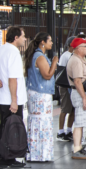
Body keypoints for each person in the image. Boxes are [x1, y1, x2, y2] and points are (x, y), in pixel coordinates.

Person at [0, 26, 28, 169]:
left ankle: (0, 156)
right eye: (23, 36)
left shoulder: (2, 49)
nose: (25, 39)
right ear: (16, 38)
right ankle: (7, 157)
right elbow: (13, 79)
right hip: (11, 99)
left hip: (2, 98)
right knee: (12, 128)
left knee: (3, 127)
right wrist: (14, 101)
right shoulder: (14, 52)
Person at [23, 32, 58, 162]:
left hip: (35, 92)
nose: (52, 43)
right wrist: (54, 62)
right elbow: (47, 75)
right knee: (42, 122)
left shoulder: (34, 55)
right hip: (40, 94)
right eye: (50, 40)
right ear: (42, 42)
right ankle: (41, 154)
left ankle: (35, 153)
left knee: (37, 122)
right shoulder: (40, 57)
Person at [66, 37, 86, 160]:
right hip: (80, 93)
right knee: (79, 122)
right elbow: (78, 81)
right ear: (78, 48)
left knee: (81, 122)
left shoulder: (80, 59)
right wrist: (84, 98)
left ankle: (79, 147)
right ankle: (77, 148)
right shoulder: (76, 61)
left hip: (82, 92)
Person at [56, 36, 75, 142]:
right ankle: (60, 132)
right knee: (65, 108)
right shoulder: (66, 55)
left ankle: (68, 130)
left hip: (70, 86)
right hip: (65, 85)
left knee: (72, 109)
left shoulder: (70, 55)